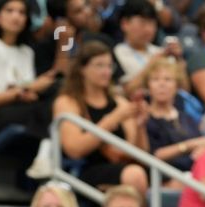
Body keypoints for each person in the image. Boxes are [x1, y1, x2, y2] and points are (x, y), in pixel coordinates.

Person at [53, 41, 150, 196]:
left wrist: (140, 126)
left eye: (109, 66)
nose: (106, 72)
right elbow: (74, 149)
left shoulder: (119, 102)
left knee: (168, 180)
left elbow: (139, 152)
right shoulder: (68, 102)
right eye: (99, 66)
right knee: (135, 175)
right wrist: (112, 120)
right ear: (82, 69)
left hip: (122, 164)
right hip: (87, 168)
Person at [0, 0, 59, 159]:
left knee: (58, 91)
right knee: (52, 108)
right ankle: (47, 154)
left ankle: (47, 154)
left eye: (21, 12)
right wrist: (26, 89)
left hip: (23, 110)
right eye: (10, 11)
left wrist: (29, 91)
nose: (16, 17)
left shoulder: (26, 52)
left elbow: (29, 94)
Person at [139, 57, 205, 173]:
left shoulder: (186, 118)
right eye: (155, 79)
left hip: (194, 172)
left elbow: (201, 142)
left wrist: (202, 148)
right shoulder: (144, 118)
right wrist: (188, 146)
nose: (161, 84)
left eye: (168, 79)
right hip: (165, 176)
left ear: (177, 86)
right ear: (148, 86)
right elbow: (151, 155)